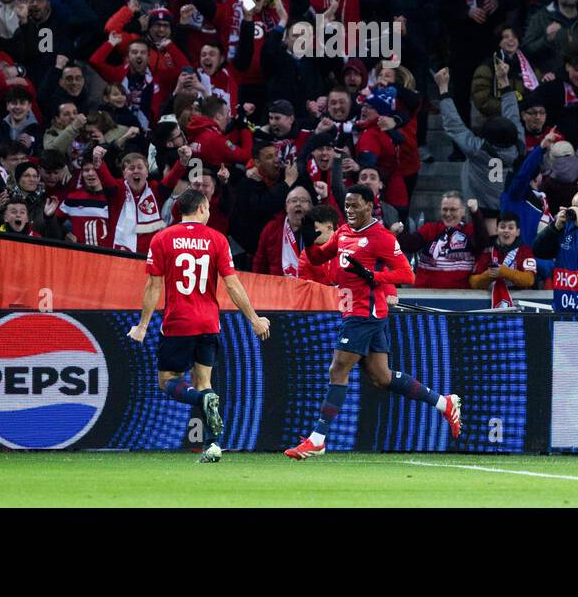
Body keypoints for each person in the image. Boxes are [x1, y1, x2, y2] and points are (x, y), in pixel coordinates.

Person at [285, 185, 460, 459]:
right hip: (356, 311)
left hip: (363, 312)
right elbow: (320, 256)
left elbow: (407, 274)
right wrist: (309, 240)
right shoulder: (343, 232)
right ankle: (443, 402)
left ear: (369, 205)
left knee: (337, 369)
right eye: (347, 206)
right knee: (382, 376)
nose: (350, 210)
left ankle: (318, 438)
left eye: (355, 205)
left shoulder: (382, 238)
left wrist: (373, 277)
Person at [128, 188, 270, 463]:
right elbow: (232, 284)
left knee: (167, 380)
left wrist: (143, 325)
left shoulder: (162, 238)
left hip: (178, 322)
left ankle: (199, 402)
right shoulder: (217, 239)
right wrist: (254, 319)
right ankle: (213, 445)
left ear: (181, 210)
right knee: (204, 382)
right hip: (209, 322)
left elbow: (153, 285)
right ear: (203, 208)